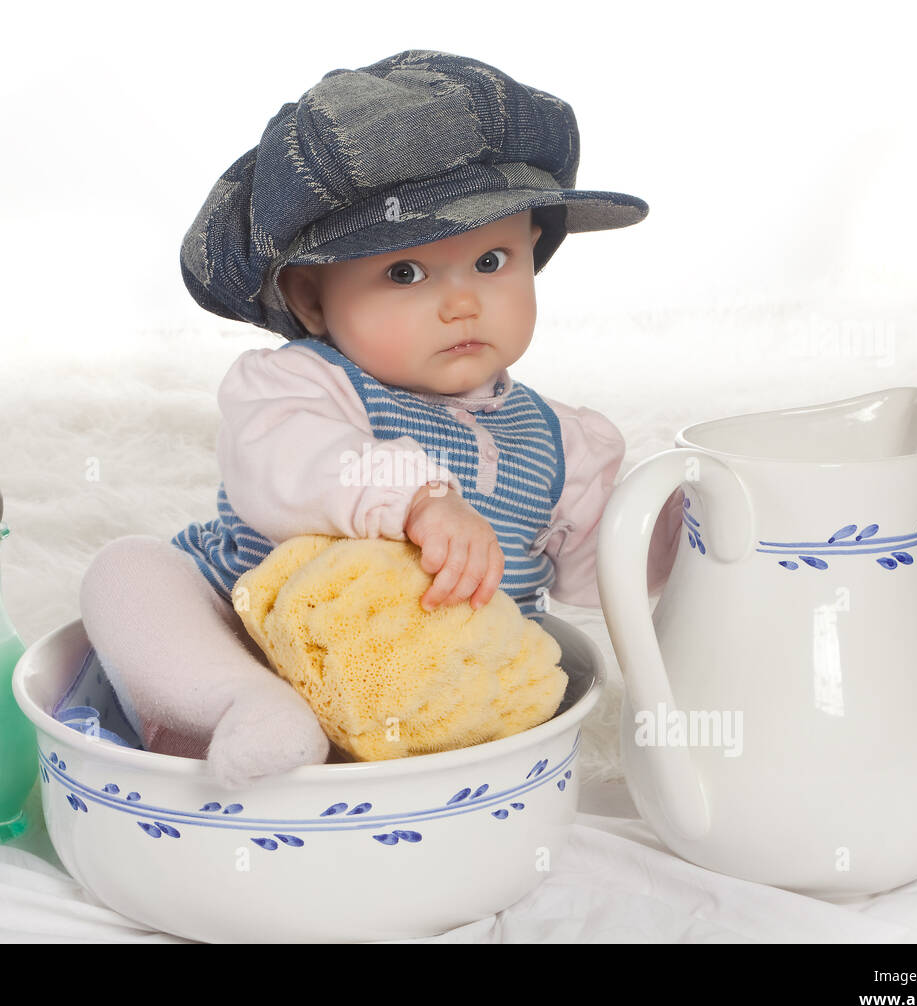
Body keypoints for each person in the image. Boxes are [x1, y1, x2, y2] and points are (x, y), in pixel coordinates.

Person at [79, 50, 682, 788]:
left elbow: (608, 576)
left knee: (530, 672)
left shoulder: (568, 446)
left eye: (492, 261)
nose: (461, 302)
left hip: (422, 696)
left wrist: (682, 525)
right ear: (310, 300)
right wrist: (422, 500)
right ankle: (240, 704)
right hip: (245, 636)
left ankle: (395, 763)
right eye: (405, 273)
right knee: (128, 571)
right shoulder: (299, 385)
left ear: (534, 250)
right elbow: (292, 464)